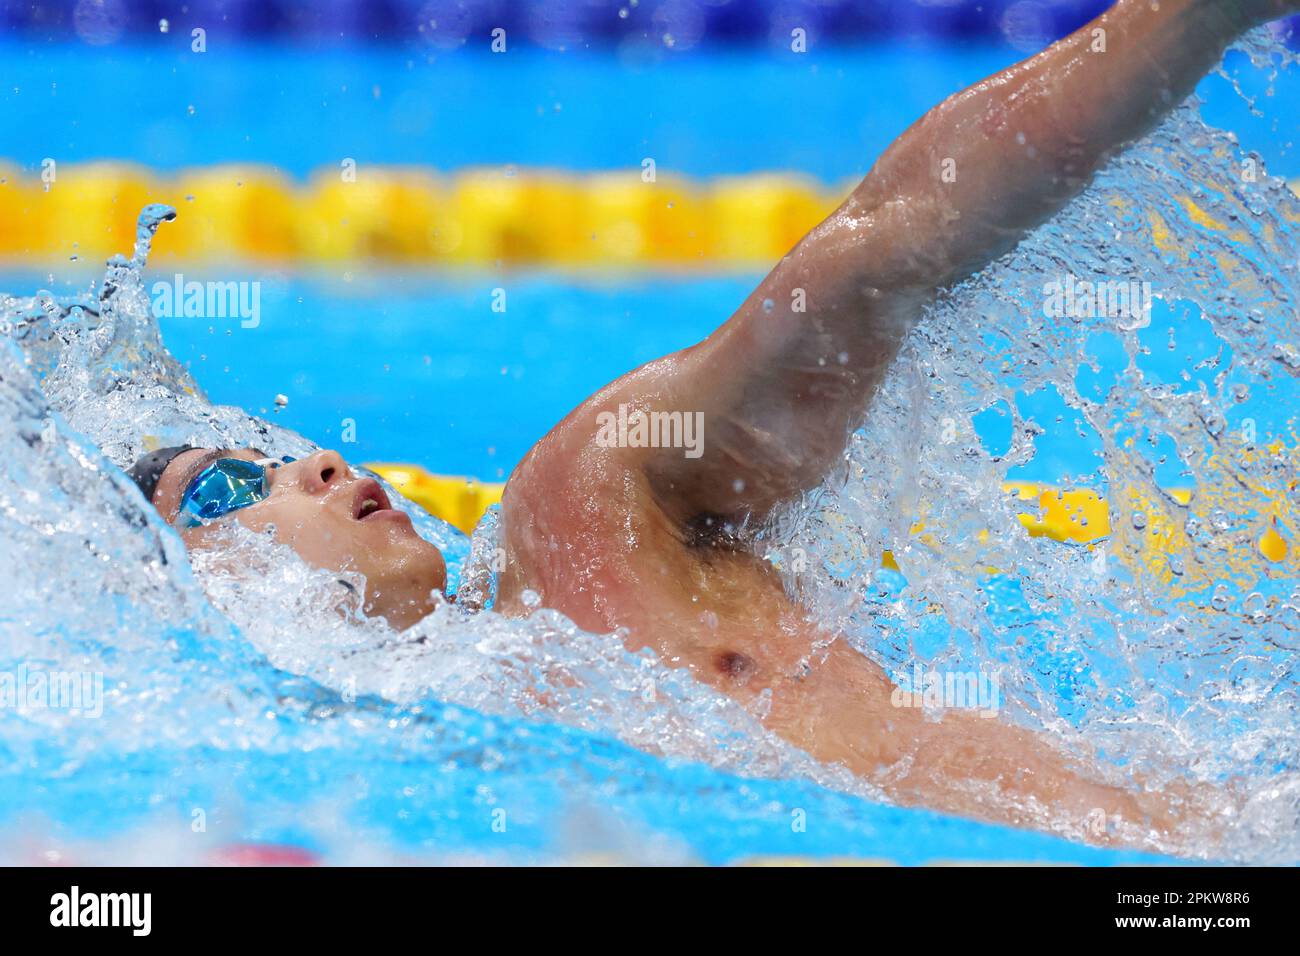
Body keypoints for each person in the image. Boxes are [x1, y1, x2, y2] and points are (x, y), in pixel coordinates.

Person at [128, 0, 1295, 846]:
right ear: (184, 602)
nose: (320, 461)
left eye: (282, 454)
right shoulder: (332, 803)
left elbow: (877, 254)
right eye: (232, 491)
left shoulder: (586, 520)